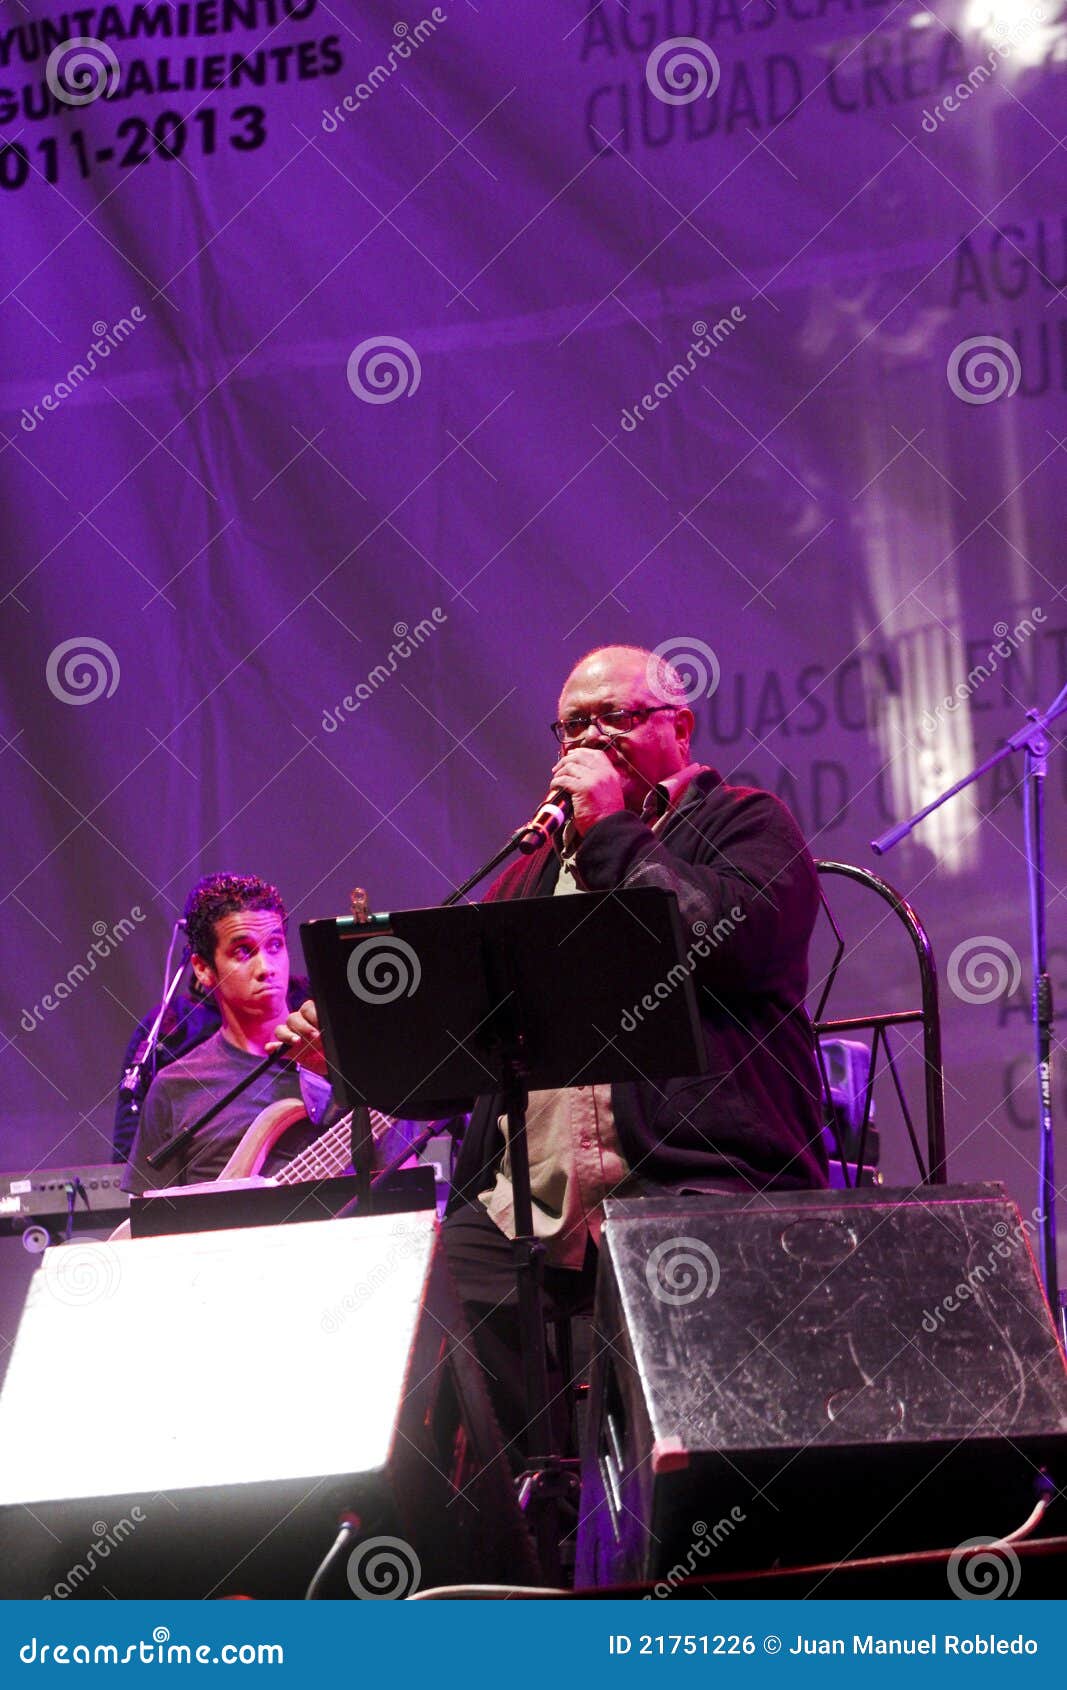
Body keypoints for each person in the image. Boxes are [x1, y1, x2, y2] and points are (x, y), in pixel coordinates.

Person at [274, 644, 828, 1458]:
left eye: (617, 718)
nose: (592, 738)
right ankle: (494, 1568)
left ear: (681, 727)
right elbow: (466, 1059)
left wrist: (611, 830)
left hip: (691, 1183)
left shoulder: (741, 821)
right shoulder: (530, 869)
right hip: (519, 1210)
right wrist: (356, 1058)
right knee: (396, 1327)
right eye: (575, 724)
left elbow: (721, 942)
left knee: (668, 1441)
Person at [122, 873, 332, 1196]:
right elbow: (150, 1227)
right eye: (243, 952)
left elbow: (398, 1174)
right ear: (204, 969)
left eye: (275, 945)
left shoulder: (335, 1054)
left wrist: (339, 1075)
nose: (267, 968)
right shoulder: (175, 1086)